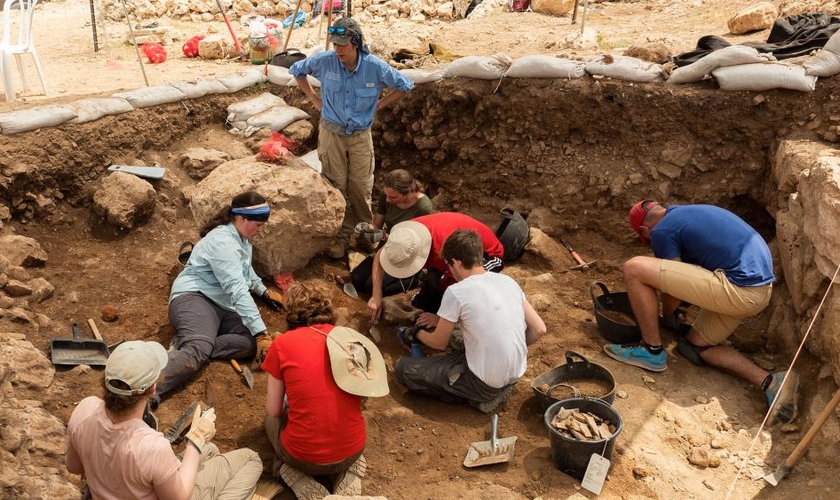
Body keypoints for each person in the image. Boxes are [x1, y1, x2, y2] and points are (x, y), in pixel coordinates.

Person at [604, 200, 799, 425]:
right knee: (695, 346)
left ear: (645, 230)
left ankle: (651, 350)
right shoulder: (684, 213)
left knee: (634, 268)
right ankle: (771, 382)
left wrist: (667, 317)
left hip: (738, 289)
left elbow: (672, 291)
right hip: (760, 291)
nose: (651, 243)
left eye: (646, 239)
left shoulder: (661, 231)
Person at [65, 341, 262, 499]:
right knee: (250, 459)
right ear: (152, 389)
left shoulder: (85, 408)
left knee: (211, 451)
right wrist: (196, 440)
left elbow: (73, 467)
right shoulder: (152, 446)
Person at [289, 18, 415, 259]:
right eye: (335, 44)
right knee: (336, 185)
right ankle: (341, 236)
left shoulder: (374, 67)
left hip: (359, 135)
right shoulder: (325, 61)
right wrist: (315, 99)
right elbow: (297, 70)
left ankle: (366, 233)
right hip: (331, 133)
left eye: (343, 45)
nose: (338, 50)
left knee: (360, 185)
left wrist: (378, 105)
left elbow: (404, 85)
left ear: (356, 43)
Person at [393, 230, 546, 413]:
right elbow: (539, 329)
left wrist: (415, 332)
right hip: (514, 374)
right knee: (463, 330)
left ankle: (476, 398)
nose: (448, 270)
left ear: (456, 262)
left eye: (448, 265)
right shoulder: (507, 281)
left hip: (482, 384)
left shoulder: (457, 291)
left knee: (403, 369)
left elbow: (438, 343)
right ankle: (498, 384)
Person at [155, 191, 283, 406]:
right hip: (195, 297)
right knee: (202, 350)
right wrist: (261, 332)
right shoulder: (223, 242)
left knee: (251, 343)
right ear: (241, 218)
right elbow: (237, 288)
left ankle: (195, 343)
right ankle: (145, 392)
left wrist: (263, 291)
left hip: (222, 304)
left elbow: (245, 270)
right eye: (258, 225)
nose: (260, 231)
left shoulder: (242, 238)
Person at [261, 283, 387, 499]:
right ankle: (346, 474)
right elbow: (362, 394)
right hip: (353, 451)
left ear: (292, 313)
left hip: (302, 458)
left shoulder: (283, 344)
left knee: (270, 421)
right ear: (328, 309)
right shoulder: (349, 339)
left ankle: (291, 474)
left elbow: (273, 409)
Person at [367, 212, 505, 318]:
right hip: (447, 257)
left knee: (444, 312)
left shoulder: (446, 253)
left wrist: (440, 318)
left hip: (484, 255)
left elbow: (463, 286)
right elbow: (380, 255)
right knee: (421, 308)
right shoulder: (406, 236)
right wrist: (376, 294)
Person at [349, 169, 434, 295]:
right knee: (356, 280)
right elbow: (377, 224)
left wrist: (383, 236)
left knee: (372, 286)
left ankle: (417, 277)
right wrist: (368, 229)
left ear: (408, 192)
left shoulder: (423, 207)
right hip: (387, 247)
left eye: (393, 197)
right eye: (387, 195)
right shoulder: (387, 196)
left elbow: (416, 245)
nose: (388, 200)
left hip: (406, 254)